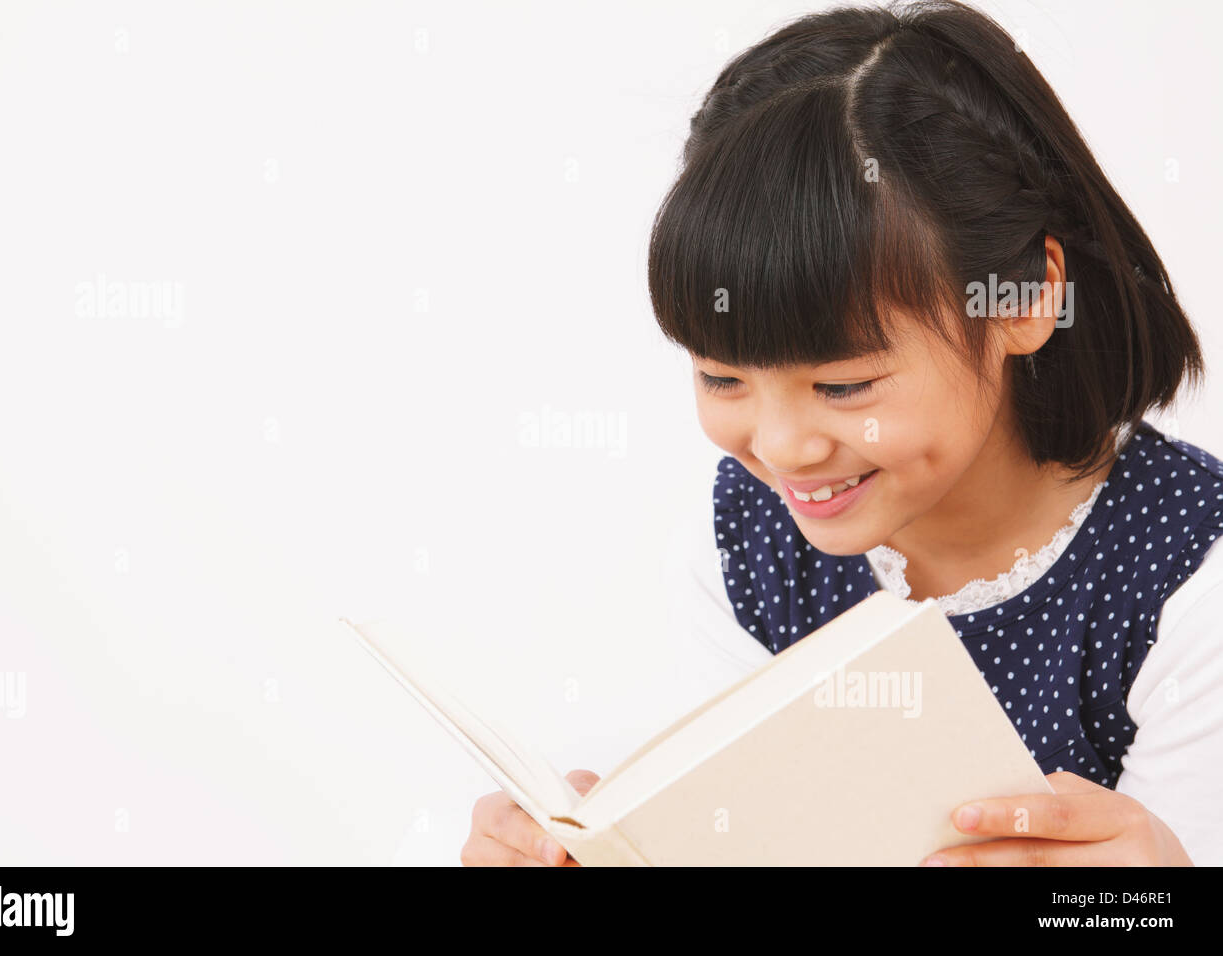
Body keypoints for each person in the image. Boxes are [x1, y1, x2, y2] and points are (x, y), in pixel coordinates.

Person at [462, 0, 1221, 866]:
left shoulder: (1187, 581)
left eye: (842, 383)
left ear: (1021, 299)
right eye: (722, 377)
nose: (782, 449)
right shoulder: (748, 550)